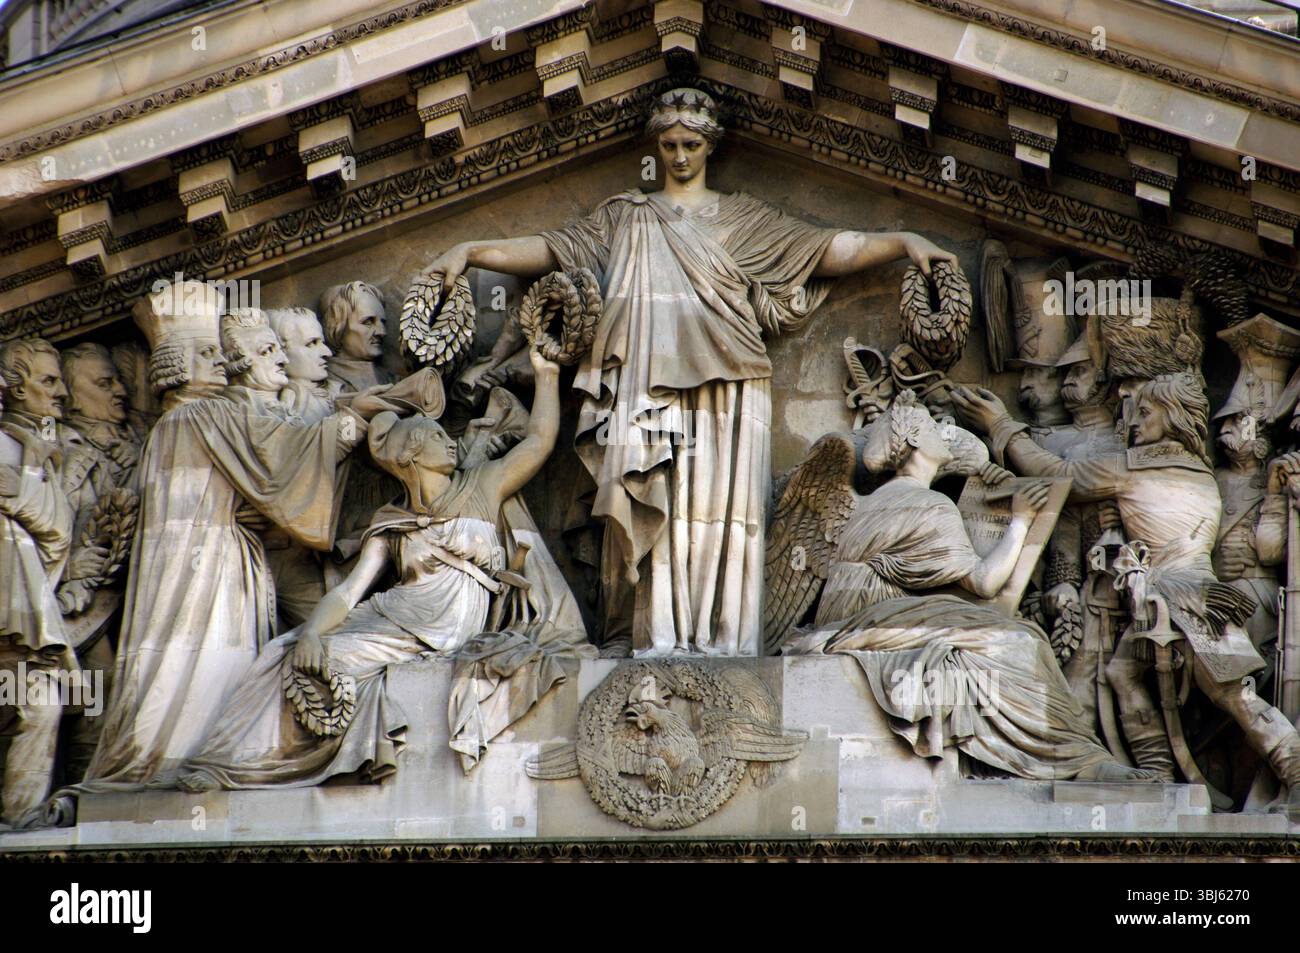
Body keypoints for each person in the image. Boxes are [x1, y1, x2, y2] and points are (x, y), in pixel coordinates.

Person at [423, 87, 957, 657]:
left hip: (730, 388)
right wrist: (472, 250)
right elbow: (550, 250)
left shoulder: (745, 220)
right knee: (661, 507)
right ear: (658, 144)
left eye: (692, 145)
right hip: (646, 387)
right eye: (671, 144)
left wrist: (904, 239)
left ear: (710, 146)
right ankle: (660, 637)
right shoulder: (625, 219)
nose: (680, 156)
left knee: (720, 513)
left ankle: (725, 639)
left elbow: (830, 249)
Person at [177, 349, 564, 789]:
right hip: (392, 620)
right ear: (413, 454)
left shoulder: (482, 485)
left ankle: (252, 764)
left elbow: (539, 443)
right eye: (438, 437)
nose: (451, 442)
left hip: (440, 628)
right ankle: (221, 763)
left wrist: (546, 374)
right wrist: (310, 633)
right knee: (282, 653)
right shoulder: (391, 520)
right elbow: (349, 593)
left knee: (317, 663)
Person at [784, 392, 1151, 781]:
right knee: (1021, 642)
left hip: (859, 615)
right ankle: (1078, 762)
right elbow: (985, 581)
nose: (944, 430)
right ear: (913, 441)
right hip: (877, 619)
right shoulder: (929, 505)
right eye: (931, 425)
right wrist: (1022, 521)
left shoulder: (877, 499)